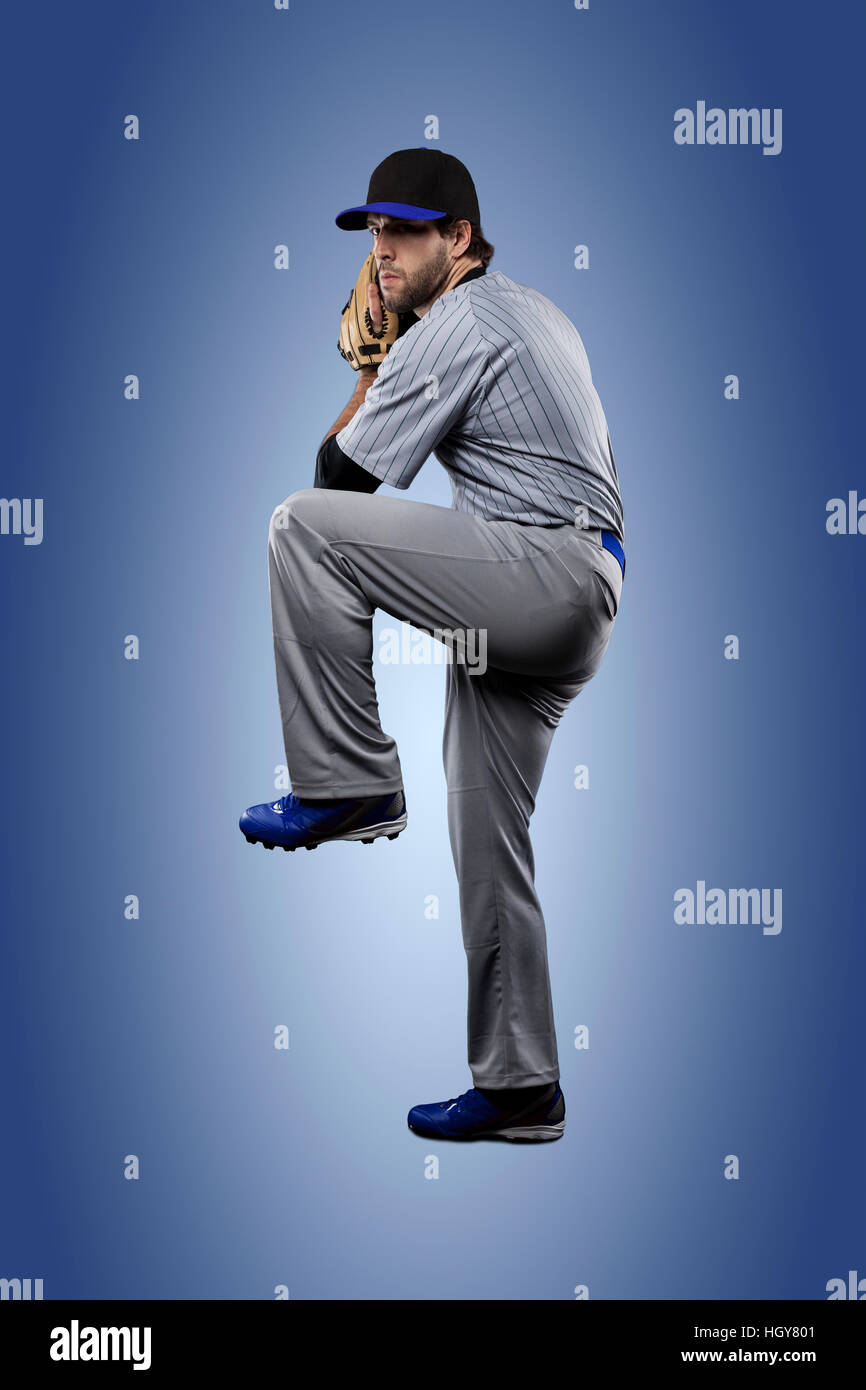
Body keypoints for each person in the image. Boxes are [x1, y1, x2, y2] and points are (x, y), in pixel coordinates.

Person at [239, 148, 626, 1143]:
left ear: (460, 239)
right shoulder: (533, 311)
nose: (381, 252)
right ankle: (520, 1086)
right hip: (570, 592)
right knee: (485, 839)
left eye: (404, 231)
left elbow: (340, 484)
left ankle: (346, 781)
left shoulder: (463, 316)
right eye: (372, 232)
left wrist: (372, 363)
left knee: (298, 525)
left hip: (540, 574)